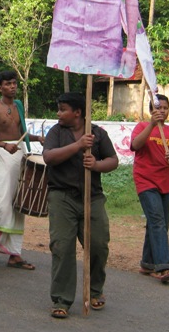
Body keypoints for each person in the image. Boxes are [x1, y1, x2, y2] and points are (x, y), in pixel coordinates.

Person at [43, 92, 118, 319]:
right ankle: (62, 299)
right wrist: (77, 145)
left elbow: (113, 161)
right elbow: (49, 157)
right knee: (62, 247)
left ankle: (95, 290)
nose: (58, 114)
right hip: (61, 197)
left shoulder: (98, 134)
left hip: (92, 197)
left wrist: (96, 165)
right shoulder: (57, 132)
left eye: (62, 109)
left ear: (77, 112)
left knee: (98, 244)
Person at [0, 71, 42, 270]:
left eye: (14, 83)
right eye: (8, 84)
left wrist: (38, 139)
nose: (12, 86)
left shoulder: (18, 105)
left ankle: (14, 255)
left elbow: (21, 134)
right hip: (0, 156)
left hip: (17, 155)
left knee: (16, 204)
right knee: (0, 203)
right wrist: (2, 145)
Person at [130, 95, 169, 283]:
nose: (162, 111)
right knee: (157, 221)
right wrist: (151, 125)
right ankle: (163, 266)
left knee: (160, 223)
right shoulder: (141, 127)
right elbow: (135, 145)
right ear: (151, 111)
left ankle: (147, 263)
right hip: (145, 180)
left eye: (165, 107)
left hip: (166, 182)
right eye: (158, 108)